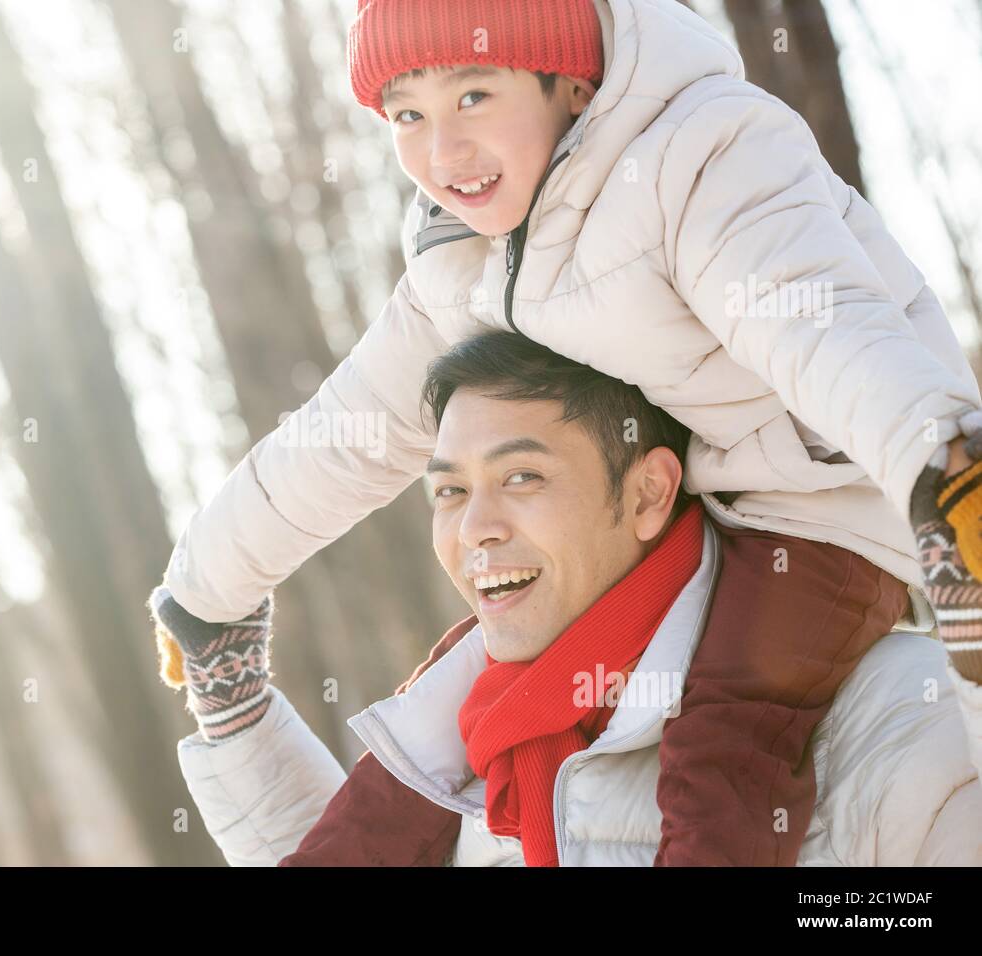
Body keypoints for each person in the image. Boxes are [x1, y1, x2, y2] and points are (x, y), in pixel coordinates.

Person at [150, 0, 982, 864]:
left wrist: (943, 470)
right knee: (443, 715)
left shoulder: (698, 153)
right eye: (408, 115)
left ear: (572, 81)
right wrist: (209, 590)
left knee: (729, 728)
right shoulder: (463, 246)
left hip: (822, 513)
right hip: (660, 514)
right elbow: (352, 425)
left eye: (473, 96)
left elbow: (825, 327)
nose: (442, 153)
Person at [153, 332, 982, 866]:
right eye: (449, 492)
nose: (475, 528)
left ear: (650, 494)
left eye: (523, 477)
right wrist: (234, 712)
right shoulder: (470, 766)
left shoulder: (894, 712)